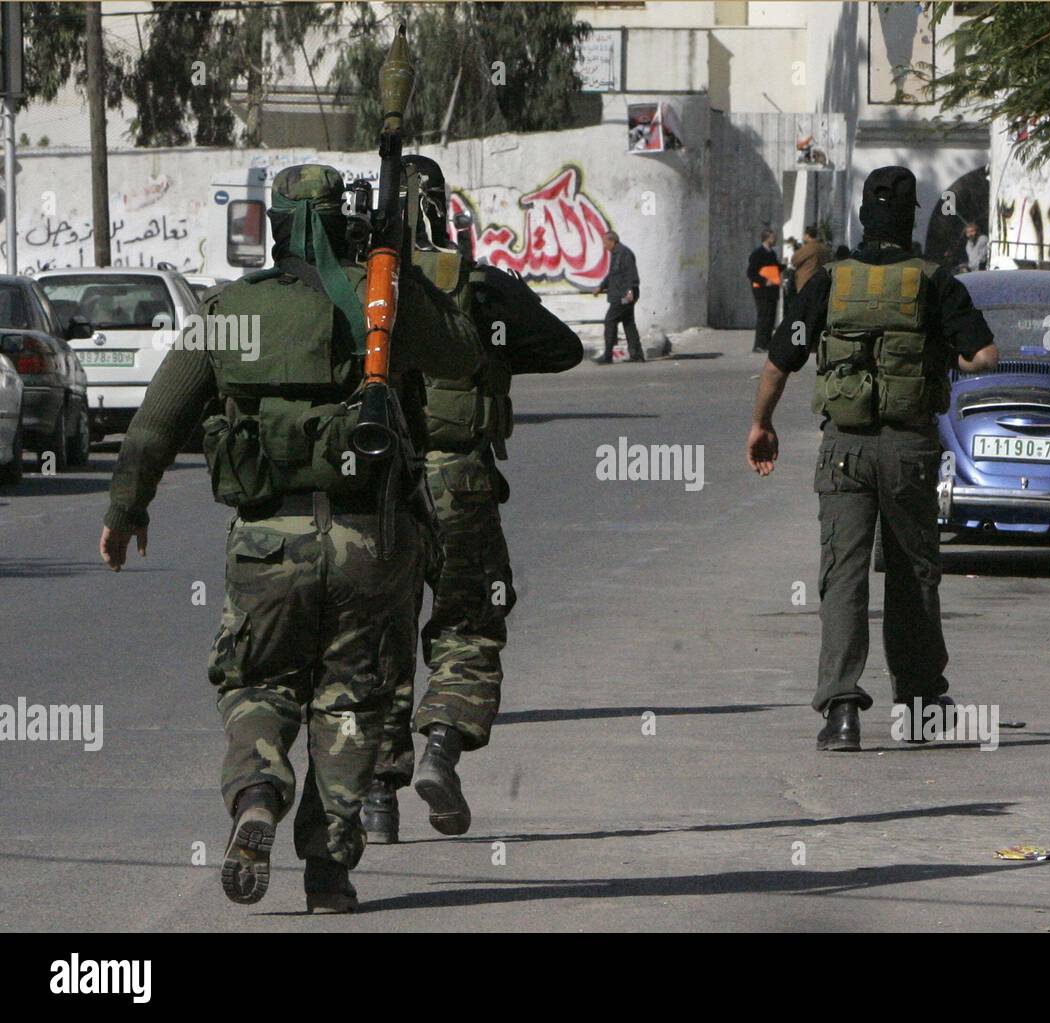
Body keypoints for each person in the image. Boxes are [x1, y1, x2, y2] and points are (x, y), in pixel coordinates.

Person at [98, 164, 482, 912]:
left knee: (257, 684)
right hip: (370, 542)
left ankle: (257, 798)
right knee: (351, 704)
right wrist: (399, 271)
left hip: (267, 545)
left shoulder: (229, 313)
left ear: (271, 226)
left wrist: (125, 512)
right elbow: (465, 355)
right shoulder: (381, 306)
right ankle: (330, 874)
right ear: (348, 223)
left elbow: (152, 427)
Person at [363, 158, 583, 843]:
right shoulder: (481, 289)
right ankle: (440, 749)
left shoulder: (358, 296)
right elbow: (564, 346)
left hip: (376, 493)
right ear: (445, 211)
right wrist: (494, 353)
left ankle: (376, 799)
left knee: (378, 643)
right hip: (459, 484)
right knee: (469, 627)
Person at [745, 166, 998, 751]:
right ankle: (918, 705)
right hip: (909, 450)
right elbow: (984, 354)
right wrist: (943, 360)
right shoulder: (936, 281)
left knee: (843, 577)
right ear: (912, 219)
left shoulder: (829, 281)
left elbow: (780, 361)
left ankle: (841, 712)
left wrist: (762, 425)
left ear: (863, 216)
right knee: (912, 572)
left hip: (844, 451)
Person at [594, 231, 644, 363]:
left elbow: (630, 275)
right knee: (628, 323)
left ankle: (608, 356)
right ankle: (636, 354)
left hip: (624, 295)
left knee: (610, 321)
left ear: (612, 241)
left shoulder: (624, 254)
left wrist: (629, 293)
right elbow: (612, 274)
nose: (604, 246)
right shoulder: (616, 254)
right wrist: (601, 286)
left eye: (605, 243)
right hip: (620, 294)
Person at [747, 228, 783, 353]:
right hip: (762, 291)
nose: (775, 240)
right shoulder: (758, 253)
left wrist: (783, 266)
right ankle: (759, 345)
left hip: (773, 290)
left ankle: (767, 343)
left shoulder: (772, 253)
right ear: (767, 238)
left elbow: (775, 268)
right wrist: (764, 281)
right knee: (763, 317)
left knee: (771, 317)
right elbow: (751, 273)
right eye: (773, 238)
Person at [791, 225, 832, 294]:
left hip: (806, 281)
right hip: (821, 282)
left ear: (807, 235)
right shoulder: (824, 248)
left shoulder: (808, 248)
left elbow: (794, 260)